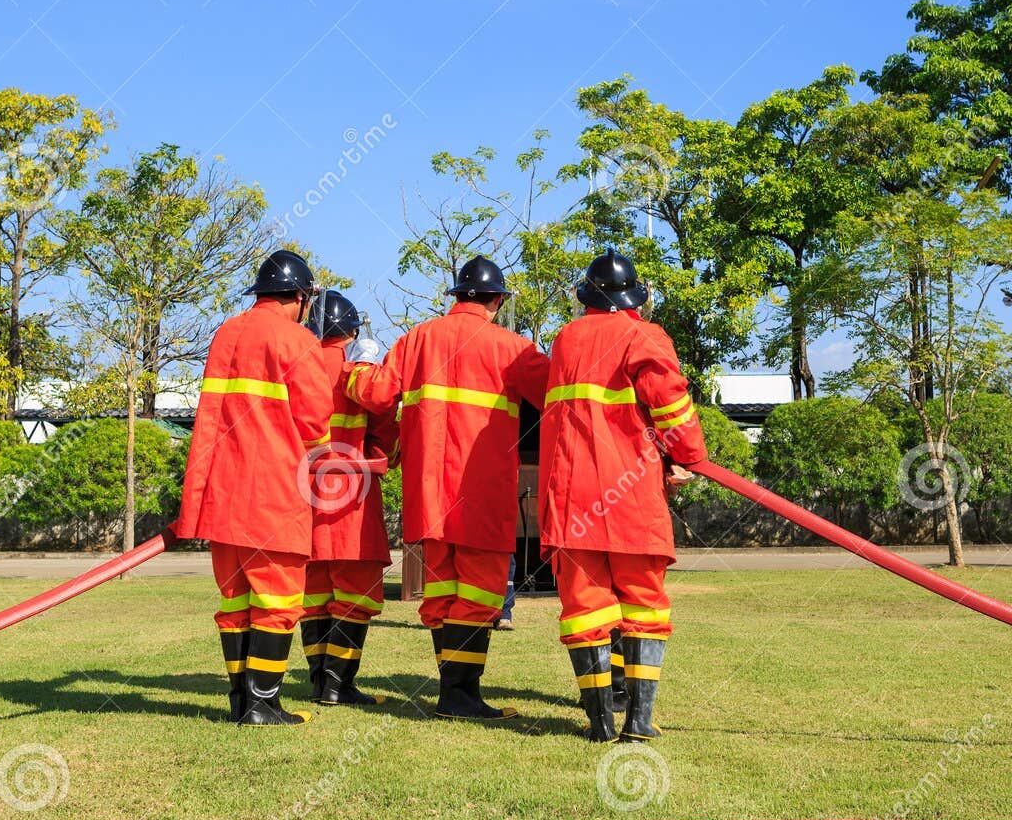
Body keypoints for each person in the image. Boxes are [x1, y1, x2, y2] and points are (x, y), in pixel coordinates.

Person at [345, 255, 550, 720]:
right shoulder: (512, 348)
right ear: (497, 301)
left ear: (457, 296)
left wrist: (351, 369)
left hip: (429, 493)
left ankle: (453, 692)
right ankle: (460, 696)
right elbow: (562, 390)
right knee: (480, 592)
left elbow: (377, 394)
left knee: (442, 592)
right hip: (482, 494)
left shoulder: (418, 338)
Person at [538, 251, 708, 743]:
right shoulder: (644, 336)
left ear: (586, 297)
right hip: (631, 492)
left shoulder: (566, 339)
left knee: (585, 606)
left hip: (571, 498)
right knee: (645, 603)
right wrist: (687, 456)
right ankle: (638, 719)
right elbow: (672, 407)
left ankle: (599, 723)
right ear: (636, 296)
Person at [174, 249, 334, 727]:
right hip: (272, 493)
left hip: (222, 493)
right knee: (279, 601)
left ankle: (240, 703)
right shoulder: (296, 339)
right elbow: (313, 421)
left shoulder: (226, 333)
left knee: (236, 603)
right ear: (301, 298)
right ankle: (264, 705)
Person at [298, 290, 396, 707]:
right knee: (354, 593)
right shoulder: (359, 368)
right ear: (353, 331)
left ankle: (319, 681)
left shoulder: (297, 362)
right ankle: (338, 685)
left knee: (314, 593)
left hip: (302, 496)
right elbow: (387, 428)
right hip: (351, 495)